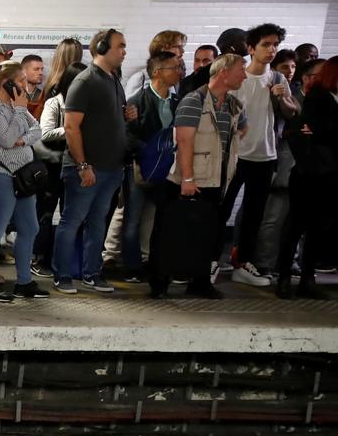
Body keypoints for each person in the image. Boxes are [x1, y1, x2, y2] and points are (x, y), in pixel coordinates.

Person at [149, 53, 248, 300]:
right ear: (223, 72)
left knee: (208, 234)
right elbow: (184, 140)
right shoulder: (194, 101)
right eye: (240, 70)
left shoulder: (234, 105)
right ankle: (160, 282)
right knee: (171, 233)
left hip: (218, 179)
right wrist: (188, 179)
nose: (244, 75)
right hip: (188, 180)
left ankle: (200, 281)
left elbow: (242, 129)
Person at [218, 23, 299, 288]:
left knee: (254, 213)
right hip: (235, 156)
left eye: (275, 44)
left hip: (265, 156)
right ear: (251, 48)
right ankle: (211, 261)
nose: (271, 50)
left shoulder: (277, 79)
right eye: (265, 44)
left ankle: (243, 262)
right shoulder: (237, 77)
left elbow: (290, 113)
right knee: (222, 208)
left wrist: (284, 97)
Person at [54, 29, 135, 294]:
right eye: (120, 46)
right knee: (72, 220)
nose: (124, 50)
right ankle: (62, 275)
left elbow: (107, 120)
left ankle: (92, 273)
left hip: (111, 168)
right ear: (101, 47)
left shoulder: (113, 80)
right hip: (87, 168)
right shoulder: (85, 80)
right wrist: (82, 165)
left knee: (98, 222)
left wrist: (127, 115)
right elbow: (71, 127)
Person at [0, 61, 47, 303]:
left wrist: (21, 138)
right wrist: (18, 114)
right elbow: (6, 139)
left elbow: (37, 131)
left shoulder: (17, 108)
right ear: (4, 82)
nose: (25, 86)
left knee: (30, 228)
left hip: (22, 178)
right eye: (20, 81)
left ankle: (24, 282)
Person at [118, 51, 182, 282]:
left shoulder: (178, 102)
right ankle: (131, 267)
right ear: (157, 72)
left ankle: (157, 264)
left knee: (162, 220)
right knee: (133, 219)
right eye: (174, 68)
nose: (179, 72)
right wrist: (153, 151)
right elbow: (127, 136)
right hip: (140, 167)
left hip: (169, 170)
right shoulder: (137, 101)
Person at [277, 56, 337, 299]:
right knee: (296, 225)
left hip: (331, 175)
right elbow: (316, 130)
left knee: (318, 228)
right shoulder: (318, 97)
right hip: (310, 174)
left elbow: (321, 131)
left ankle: (307, 279)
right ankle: (282, 278)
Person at [34, 62, 86, 277]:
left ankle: (62, 262)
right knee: (46, 212)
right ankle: (38, 258)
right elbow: (44, 133)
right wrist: (71, 130)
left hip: (75, 164)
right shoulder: (55, 103)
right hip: (53, 165)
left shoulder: (86, 104)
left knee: (69, 214)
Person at [124, 30, 187, 96]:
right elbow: (129, 104)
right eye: (179, 47)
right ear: (164, 49)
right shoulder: (140, 78)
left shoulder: (175, 78)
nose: (182, 51)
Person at [19, 54, 46, 119]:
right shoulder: (15, 94)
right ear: (23, 71)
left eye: (41, 69)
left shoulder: (44, 96)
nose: (40, 73)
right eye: (36, 69)